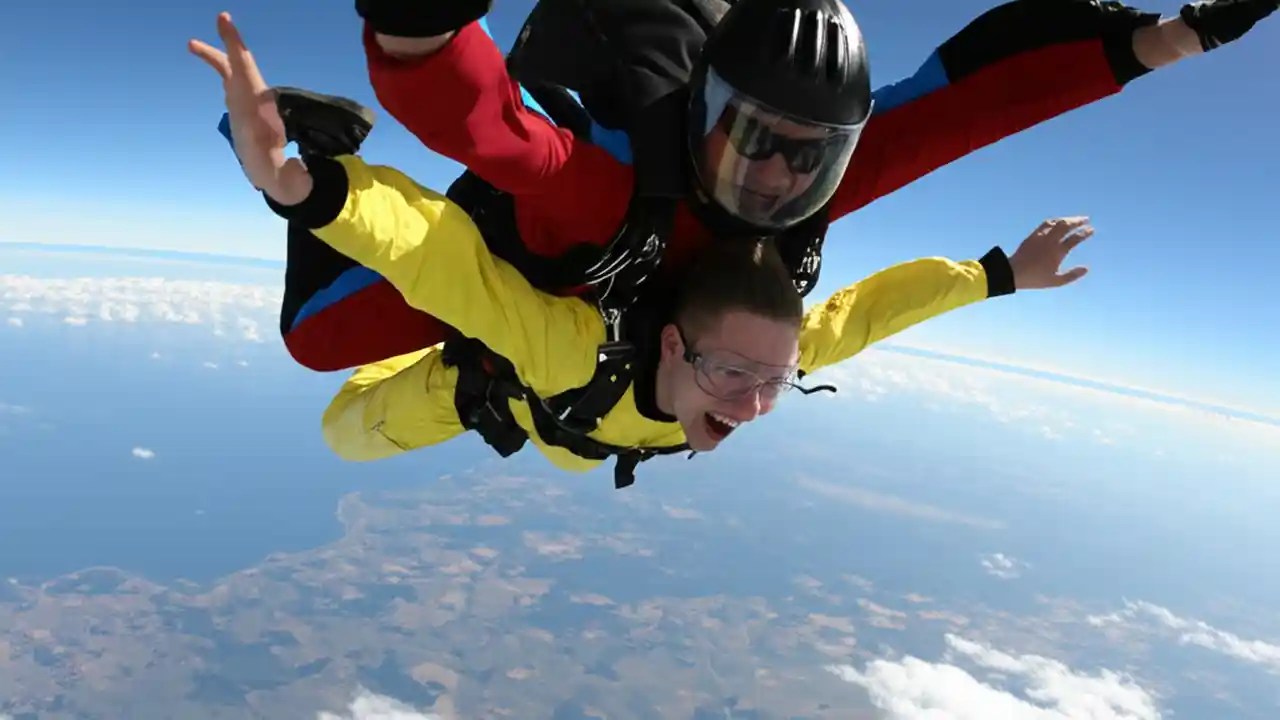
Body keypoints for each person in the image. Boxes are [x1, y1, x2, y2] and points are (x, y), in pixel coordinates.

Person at [191, 13, 1097, 488]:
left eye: (770, 383)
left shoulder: (764, 353)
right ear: (670, 345)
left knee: (336, 397)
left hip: (555, 401)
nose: (755, 403)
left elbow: (860, 317)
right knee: (324, 382)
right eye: (745, 379)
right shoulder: (566, 347)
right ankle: (319, 153)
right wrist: (307, 188)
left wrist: (999, 276)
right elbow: (441, 257)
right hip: (482, 385)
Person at [252, 0, 1277, 373]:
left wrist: (1169, 40)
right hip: (528, 255)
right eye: (757, 140)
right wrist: (418, 28)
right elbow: (495, 134)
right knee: (318, 343)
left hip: (605, 300)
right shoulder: (611, 185)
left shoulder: (822, 182)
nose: (781, 174)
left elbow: (972, 102)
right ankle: (307, 154)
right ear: (703, 120)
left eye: (810, 153)